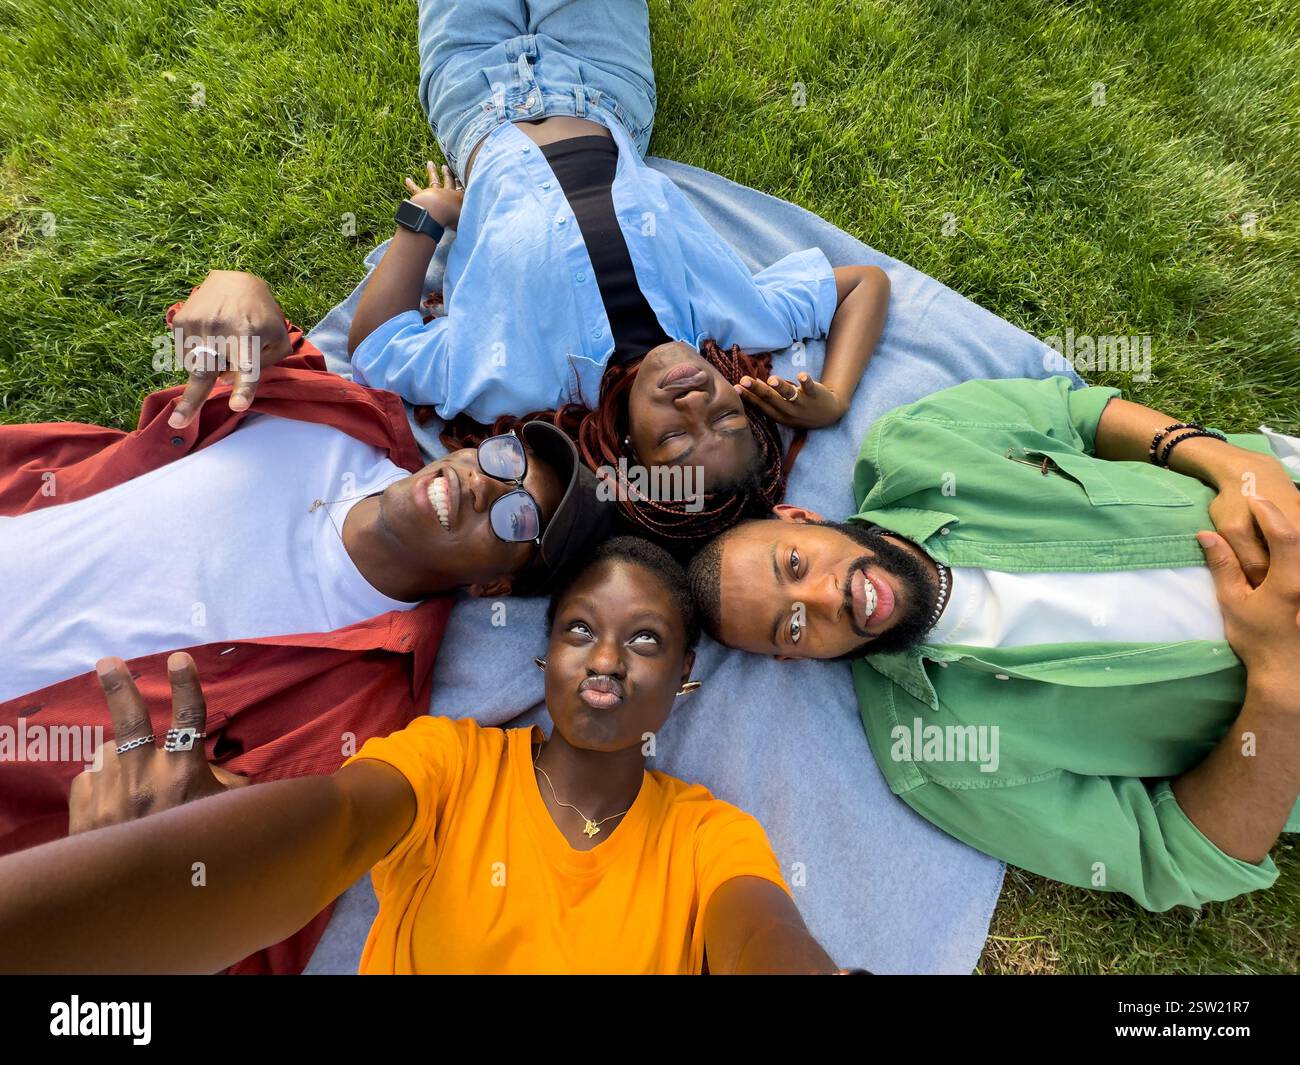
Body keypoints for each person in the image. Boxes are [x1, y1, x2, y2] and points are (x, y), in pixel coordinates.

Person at [0, 283, 614, 972]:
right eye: (508, 463)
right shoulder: (352, 418)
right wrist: (237, 292)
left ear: (492, 584)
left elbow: (258, 900)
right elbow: (245, 336)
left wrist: (191, 844)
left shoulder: (360, 712)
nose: (487, 488)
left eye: (517, 520)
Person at [175, 0, 890, 547]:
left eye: (675, 438)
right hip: (603, 81)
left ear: (624, 446)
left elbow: (379, 351)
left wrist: (424, 220)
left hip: (475, 98)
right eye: (727, 416)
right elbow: (864, 285)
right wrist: (831, 396)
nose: (695, 402)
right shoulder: (738, 321)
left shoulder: (511, 380)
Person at [0, 538, 840, 975]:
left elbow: (760, 933)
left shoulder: (706, 834)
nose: (607, 659)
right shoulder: (453, 763)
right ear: (543, 657)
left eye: (646, 640)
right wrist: (159, 867)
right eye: (580, 630)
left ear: (684, 676)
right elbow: (334, 825)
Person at [687, 375, 1300, 911]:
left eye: (794, 564)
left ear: (801, 519)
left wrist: (1237, 469)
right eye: (792, 625)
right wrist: (1279, 679)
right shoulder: (936, 754)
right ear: (792, 658)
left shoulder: (917, 446)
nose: (825, 598)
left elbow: (1080, 415)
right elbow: (1180, 858)